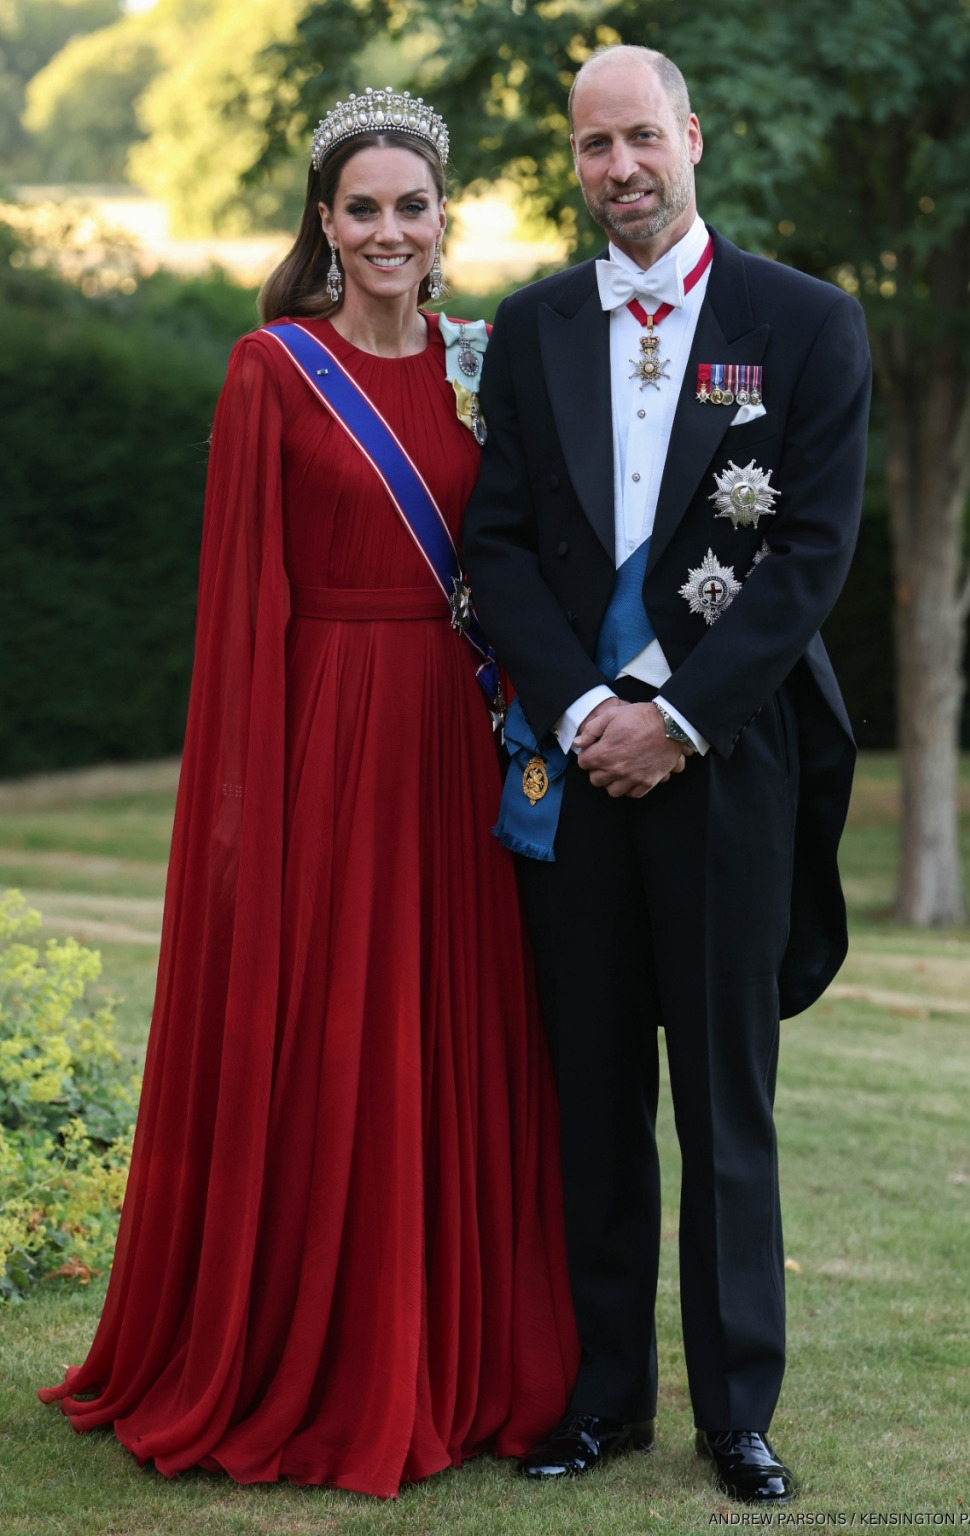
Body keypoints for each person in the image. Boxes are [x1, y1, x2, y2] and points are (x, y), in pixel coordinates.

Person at [39, 88, 578, 1499]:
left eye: (413, 205)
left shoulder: (485, 364)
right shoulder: (272, 368)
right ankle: (326, 1356)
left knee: (455, 1033)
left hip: (456, 748)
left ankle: (458, 1361)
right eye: (364, 208)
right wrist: (249, 810)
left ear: (442, 217)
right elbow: (242, 611)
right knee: (343, 1031)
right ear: (324, 225)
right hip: (330, 740)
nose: (390, 229)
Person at [463, 45, 871, 1505]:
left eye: (641, 137)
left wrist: (673, 717)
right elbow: (497, 545)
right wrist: (581, 709)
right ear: (573, 162)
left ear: (693, 136)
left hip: (725, 761)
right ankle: (600, 1400)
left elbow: (810, 556)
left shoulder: (807, 322)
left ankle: (739, 1411)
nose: (619, 168)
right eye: (592, 147)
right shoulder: (529, 328)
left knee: (723, 1101)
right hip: (575, 769)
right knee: (588, 1093)